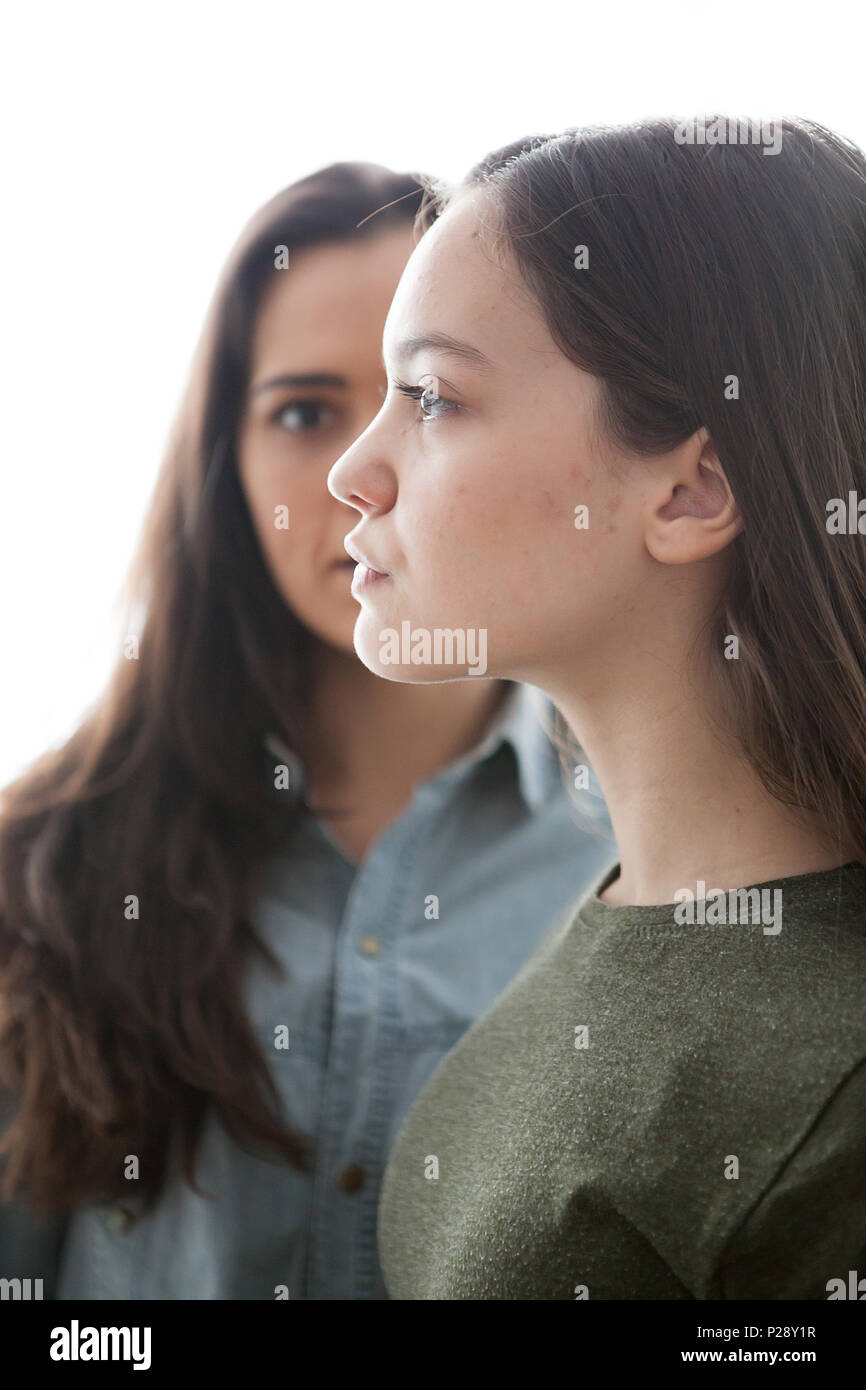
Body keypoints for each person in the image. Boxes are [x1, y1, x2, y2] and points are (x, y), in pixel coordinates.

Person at [0, 160, 613, 1300]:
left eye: (424, 397)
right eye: (300, 411)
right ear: (221, 465)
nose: (353, 470)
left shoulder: (638, 859)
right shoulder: (45, 856)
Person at [327, 118, 866, 1299]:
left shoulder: (834, 1106)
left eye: (429, 395)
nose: (351, 472)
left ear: (690, 489)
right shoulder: (624, 914)